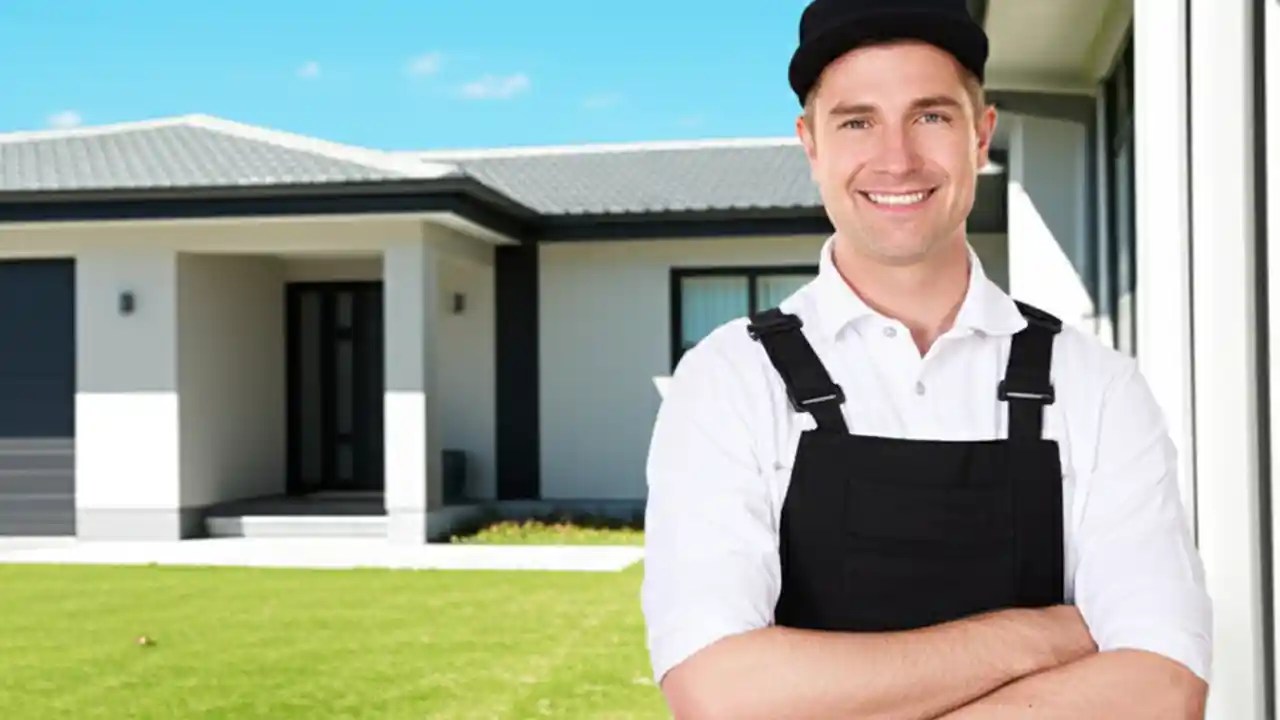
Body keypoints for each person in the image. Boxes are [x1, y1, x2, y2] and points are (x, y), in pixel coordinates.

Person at [640, 0, 1213, 717]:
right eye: (857, 121)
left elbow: (1161, 690)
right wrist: (1036, 635)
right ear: (810, 143)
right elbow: (720, 694)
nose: (897, 158)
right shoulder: (729, 382)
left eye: (931, 116)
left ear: (981, 135)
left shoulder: (1095, 386)